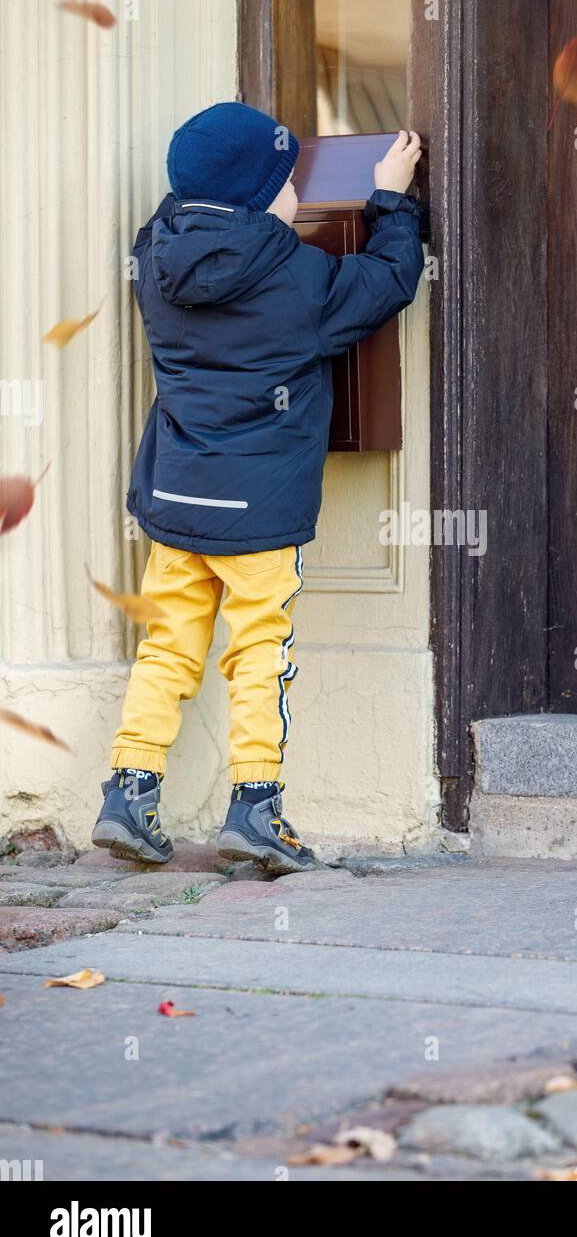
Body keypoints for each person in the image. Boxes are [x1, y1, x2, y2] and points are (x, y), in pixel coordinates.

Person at [91, 102, 424, 872]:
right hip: (259, 514)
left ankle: (128, 790)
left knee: (166, 647)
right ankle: (255, 808)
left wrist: (222, 195)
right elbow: (385, 281)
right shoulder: (301, 280)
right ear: (257, 197)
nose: (297, 198)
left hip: (178, 502)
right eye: (287, 184)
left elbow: (188, 212)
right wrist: (390, 199)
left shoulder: (155, 261)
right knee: (259, 654)